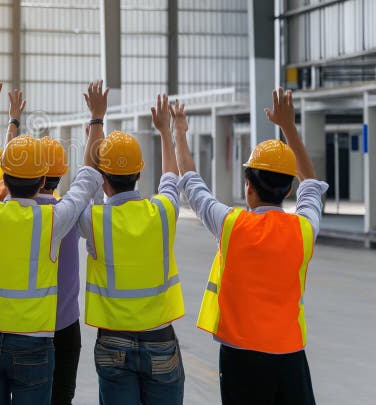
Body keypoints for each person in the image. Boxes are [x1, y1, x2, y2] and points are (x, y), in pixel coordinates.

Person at [172, 87, 328, 405]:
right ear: (288, 190)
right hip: (289, 357)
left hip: (240, 359)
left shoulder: (230, 224)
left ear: (248, 187)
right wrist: (288, 127)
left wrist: (178, 133)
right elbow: (311, 184)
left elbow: (190, 181)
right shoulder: (304, 230)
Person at [0, 80, 107, 405]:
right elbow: (88, 177)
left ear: (5, 178)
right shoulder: (55, 219)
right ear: (44, 179)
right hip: (35, 341)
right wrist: (97, 120)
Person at [78, 94, 185, 405]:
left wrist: (96, 123)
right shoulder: (163, 212)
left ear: (102, 179)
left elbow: (83, 184)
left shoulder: (95, 220)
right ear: (139, 173)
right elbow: (170, 177)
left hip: (113, 341)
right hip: (160, 338)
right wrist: (165, 131)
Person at [3, 88, 82, 405]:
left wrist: (13, 121)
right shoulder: (71, 214)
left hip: (24, 327)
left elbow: (6, 170)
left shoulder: (9, 212)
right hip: (64, 327)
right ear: (61, 174)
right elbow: (89, 179)